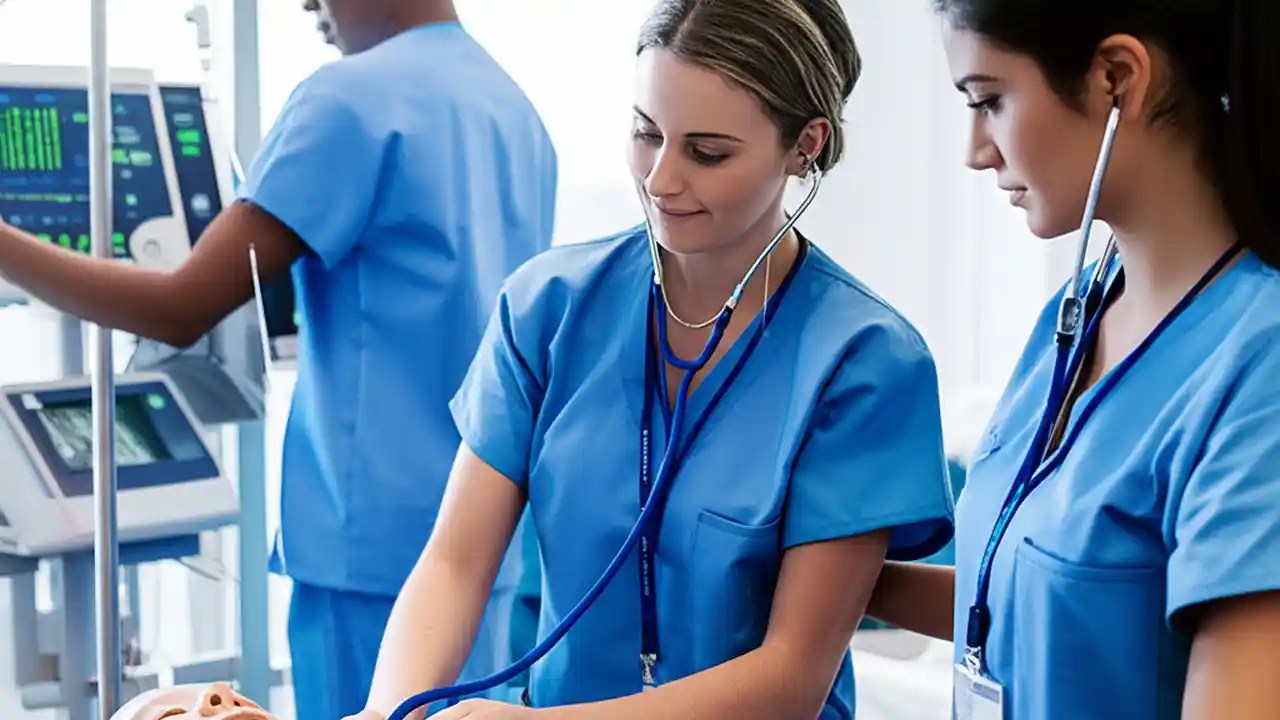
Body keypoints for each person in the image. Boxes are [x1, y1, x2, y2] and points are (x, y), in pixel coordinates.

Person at [349, 2, 956, 719]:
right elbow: (454, 564)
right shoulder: (549, 309)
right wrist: (388, 711)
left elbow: (791, 678)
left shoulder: (863, 361)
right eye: (646, 134)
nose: (662, 179)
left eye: (708, 151)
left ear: (805, 146)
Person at [0, 1, 557, 718]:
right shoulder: (511, 106)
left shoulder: (348, 100)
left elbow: (181, 306)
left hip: (371, 553)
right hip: (486, 537)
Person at [867, 1, 1280, 717]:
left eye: (989, 101)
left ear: (1116, 79)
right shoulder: (1081, 307)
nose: (975, 149)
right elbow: (1039, 605)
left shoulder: (1259, 368)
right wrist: (822, 578)